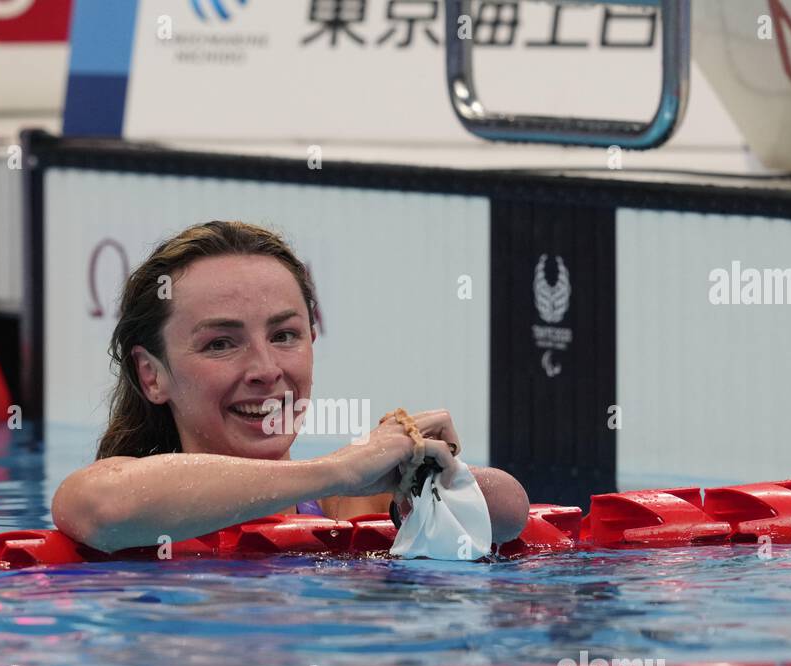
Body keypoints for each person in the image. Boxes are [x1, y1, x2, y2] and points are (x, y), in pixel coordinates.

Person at [52, 220, 530, 554]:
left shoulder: (347, 506)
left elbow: (509, 510)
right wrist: (341, 467)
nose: (265, 368)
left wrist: (432, 475)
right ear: (151, 375)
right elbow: (98, 506)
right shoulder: (118, 500)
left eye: (284, 336)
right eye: (221, 343)